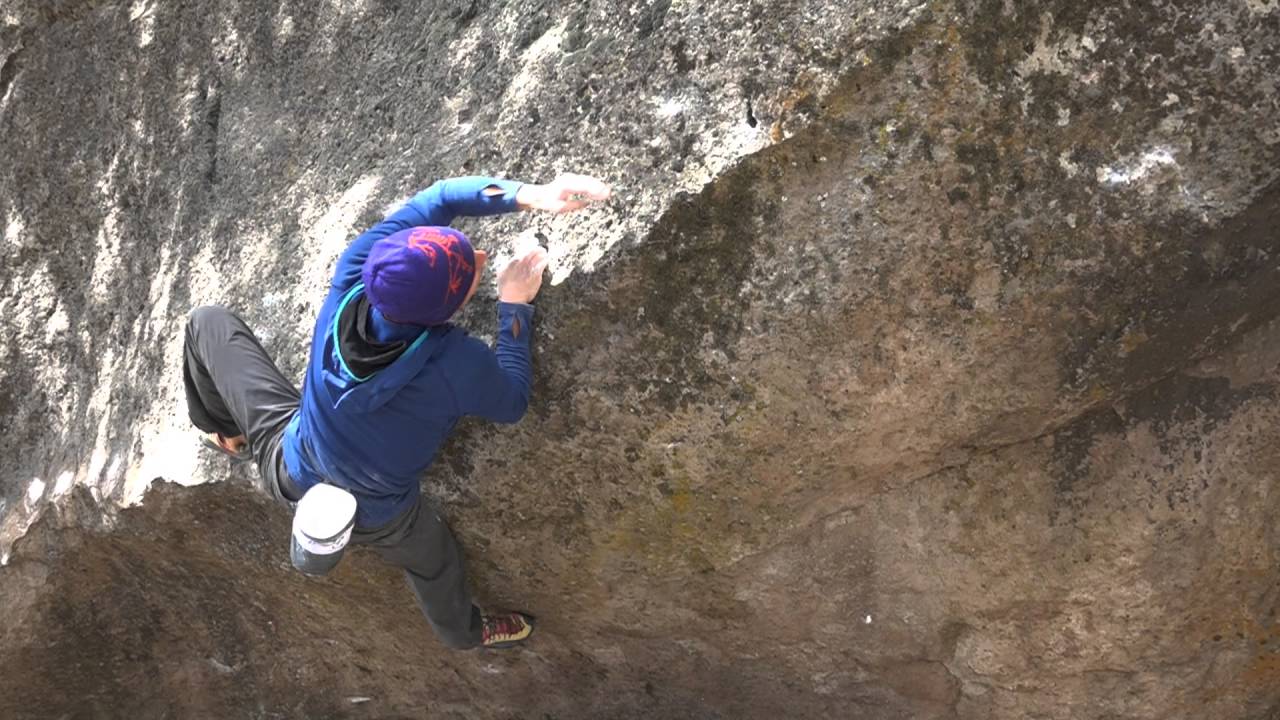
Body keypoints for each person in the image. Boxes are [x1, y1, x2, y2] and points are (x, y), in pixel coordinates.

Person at [182, 173, 612, 650]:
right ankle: (467, 635)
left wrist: (532, 195)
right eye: (472, 271)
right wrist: (514, 307)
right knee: (436, 562)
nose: (481, 257)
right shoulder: (454, 364)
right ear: (442, 315)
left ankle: (229, 432)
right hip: (380, 516)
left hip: (291, 462)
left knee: (206, 323)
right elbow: (512, 401)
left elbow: (440, 196)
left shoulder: (356, 270)